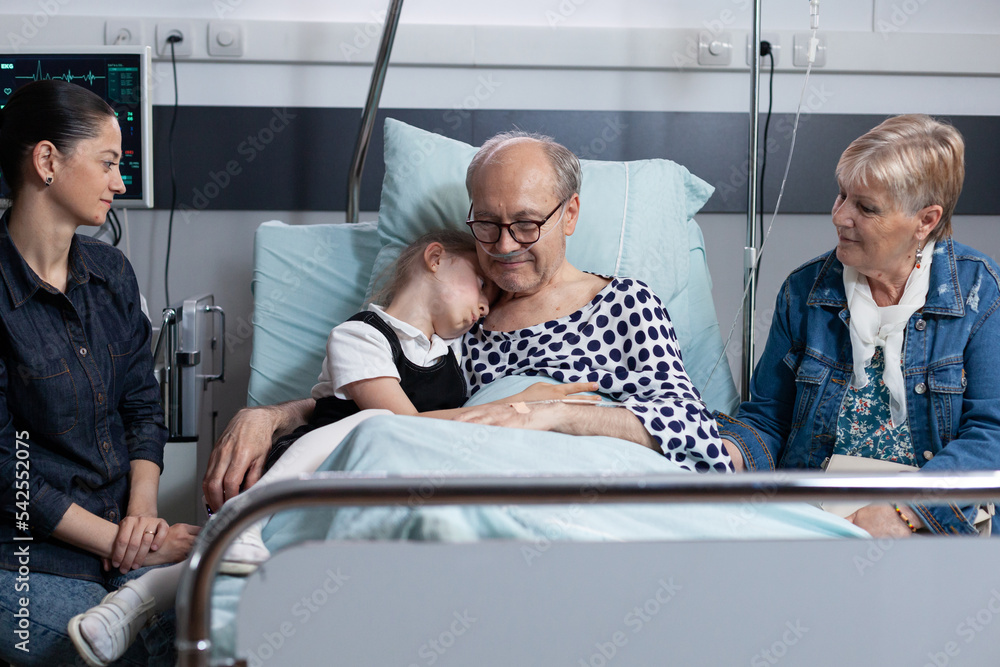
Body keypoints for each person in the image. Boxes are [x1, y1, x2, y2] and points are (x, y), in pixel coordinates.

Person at [68, 229, 597, 666]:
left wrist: (525, 402)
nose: (485, 304)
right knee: (370, 424)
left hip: (380, 477)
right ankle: (242, 522)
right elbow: (397, 423)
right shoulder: (360, 336)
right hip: (313, 463)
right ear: (435, 260)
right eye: (481, 284)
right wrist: (514, 406)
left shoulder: (457, 352)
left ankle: (135, 600)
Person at [202, 130, 731, 513]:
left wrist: (553, 415)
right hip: (464, 499)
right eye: (486, 224)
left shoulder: (625, 306)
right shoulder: (458, 327)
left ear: (569, 215)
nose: (503, 248)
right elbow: (381, 410)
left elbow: (699, 439)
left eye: (525, 225)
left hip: (588, 497)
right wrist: (273, 416)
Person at [716, 114, 1000, 537]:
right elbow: (769, 419)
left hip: (938, 522)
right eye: (841, 195)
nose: (840, 216)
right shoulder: (805, 291)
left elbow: (990, 435)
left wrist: (904, 512)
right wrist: (721, 455)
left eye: (865, 208)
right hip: (817, 514)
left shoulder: (980, 295)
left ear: (925, 221)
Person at [0, 80, 198, 666]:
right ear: (47, 161)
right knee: (120, 655)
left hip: (126, 539)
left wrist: (140, 517)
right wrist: (125, 545)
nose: (120, 182)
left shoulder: (112, 273)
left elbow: (140, 401)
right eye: (109, 163)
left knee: (206, 633)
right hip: (27, 554)